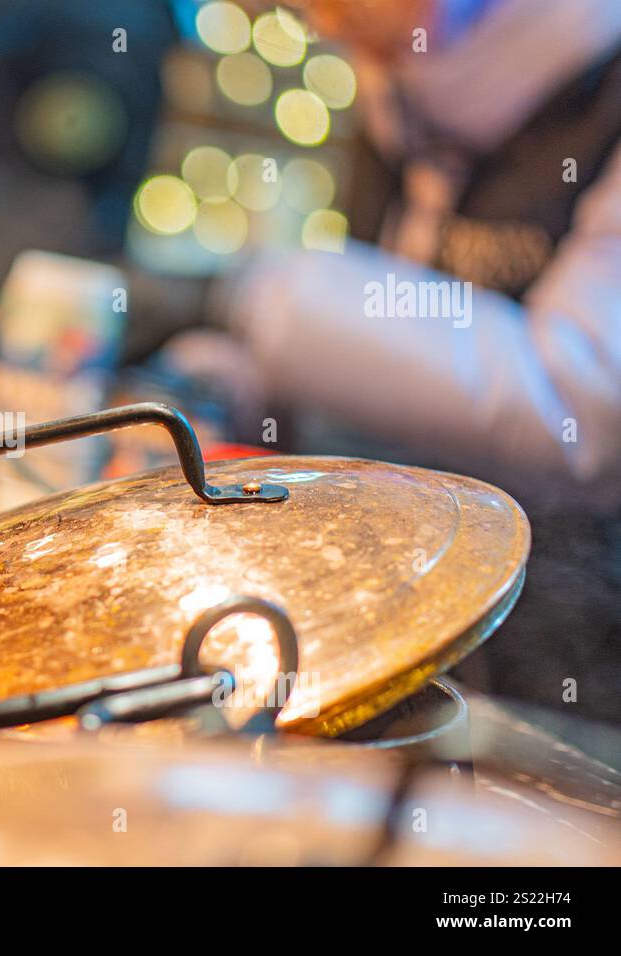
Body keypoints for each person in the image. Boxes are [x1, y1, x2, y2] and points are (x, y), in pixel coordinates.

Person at [204, 0, 621, 724]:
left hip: (577, 670)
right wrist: (230, 381)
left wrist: (266, 297)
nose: (317, 17)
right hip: (406, 608)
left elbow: (580, 410)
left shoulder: (595, 90)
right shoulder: (404, 87)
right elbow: (385, 365)